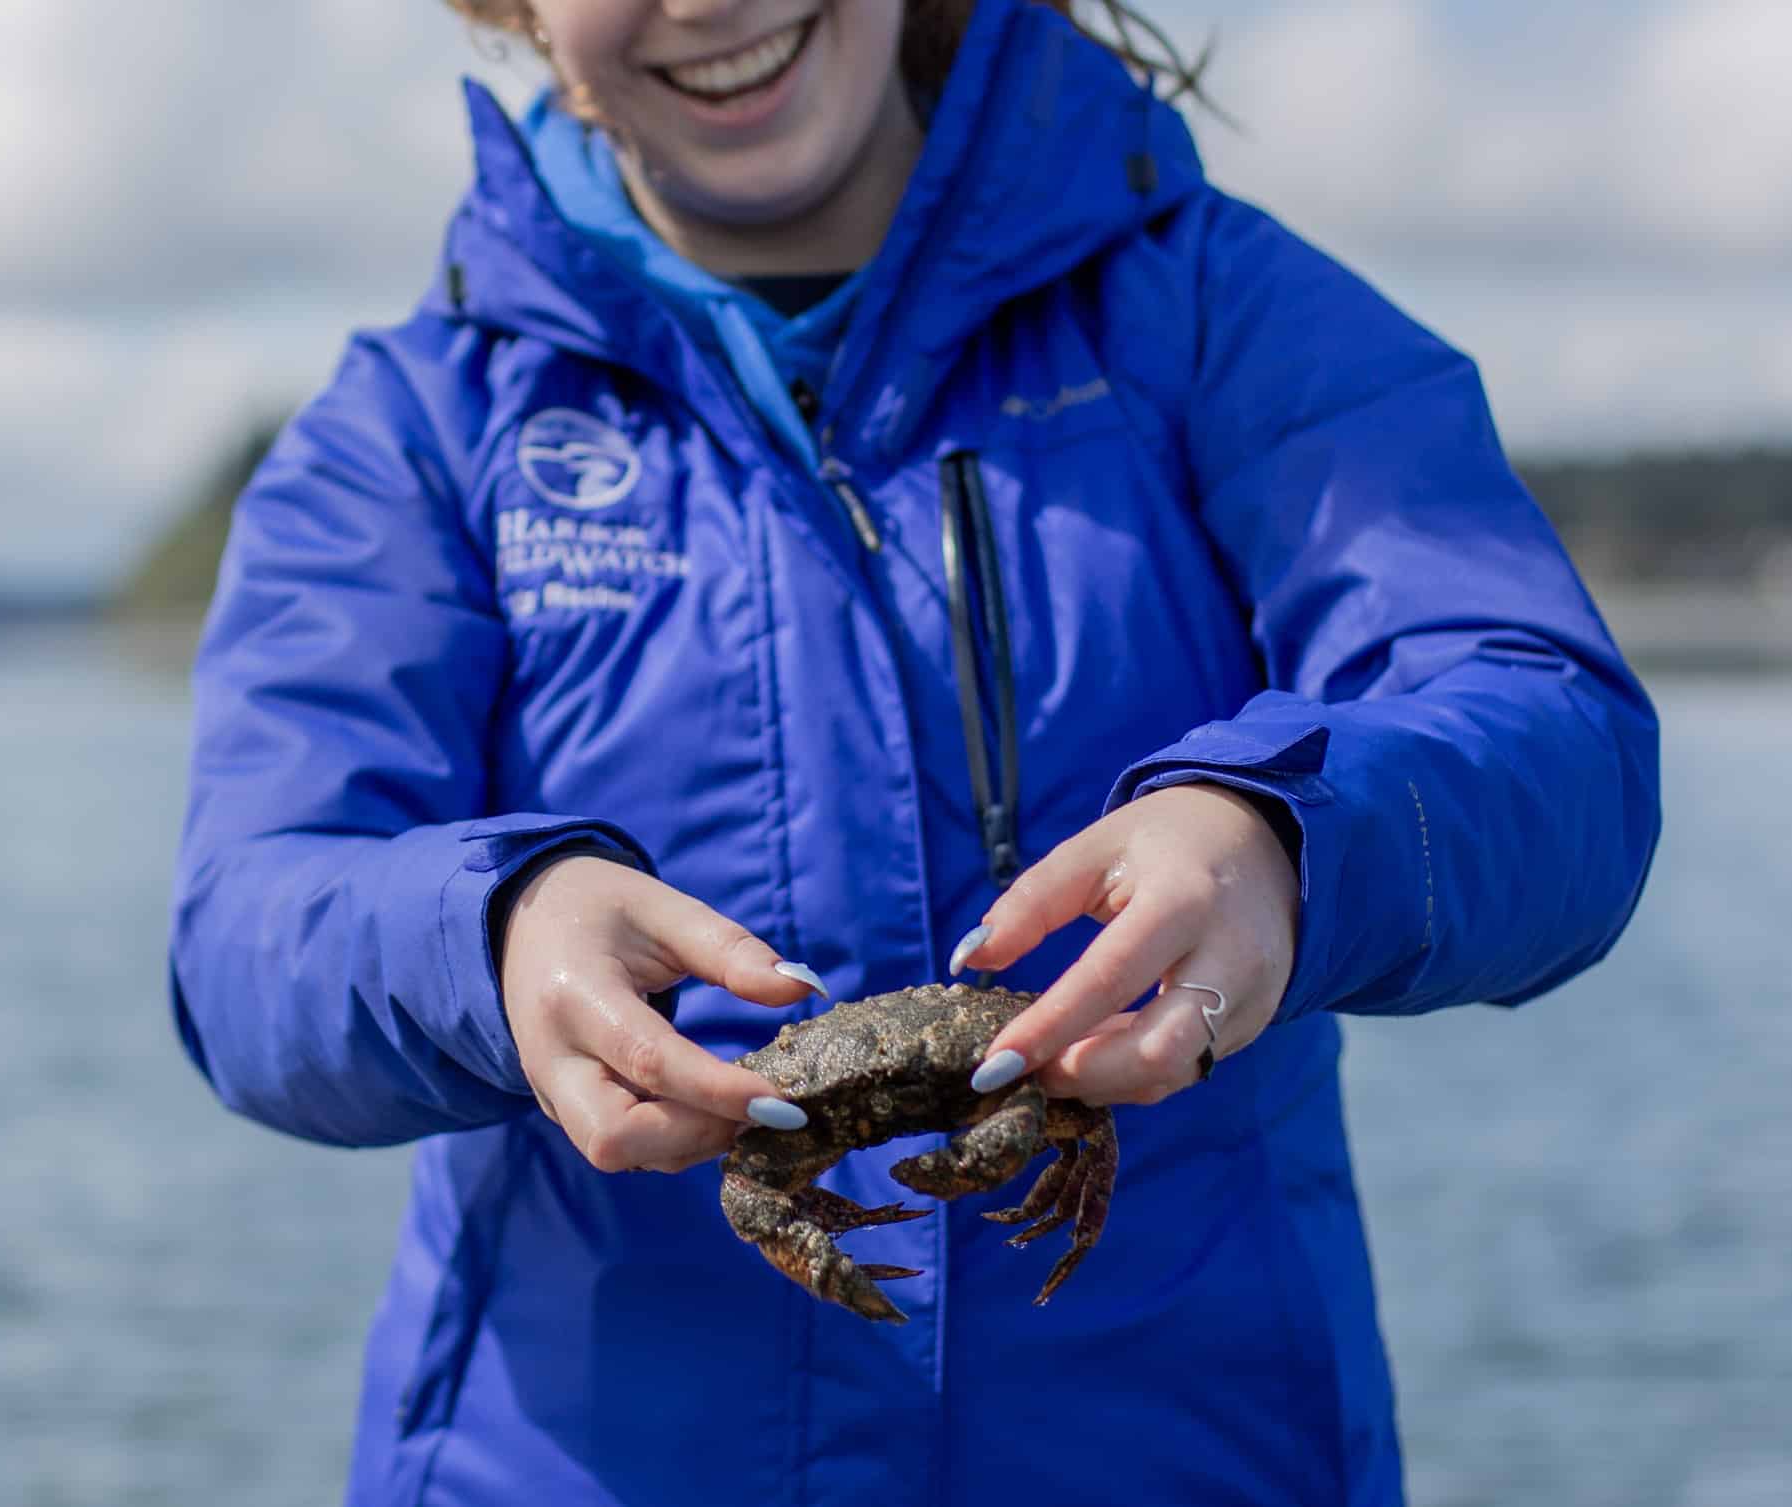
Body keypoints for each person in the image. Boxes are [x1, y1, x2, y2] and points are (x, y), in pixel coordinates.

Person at [166, 0, 1662, 1500]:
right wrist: (490, 936)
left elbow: (1552, 729)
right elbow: (246, 932)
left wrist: (1284, 836)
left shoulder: (1212, 313)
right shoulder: (418, 428)